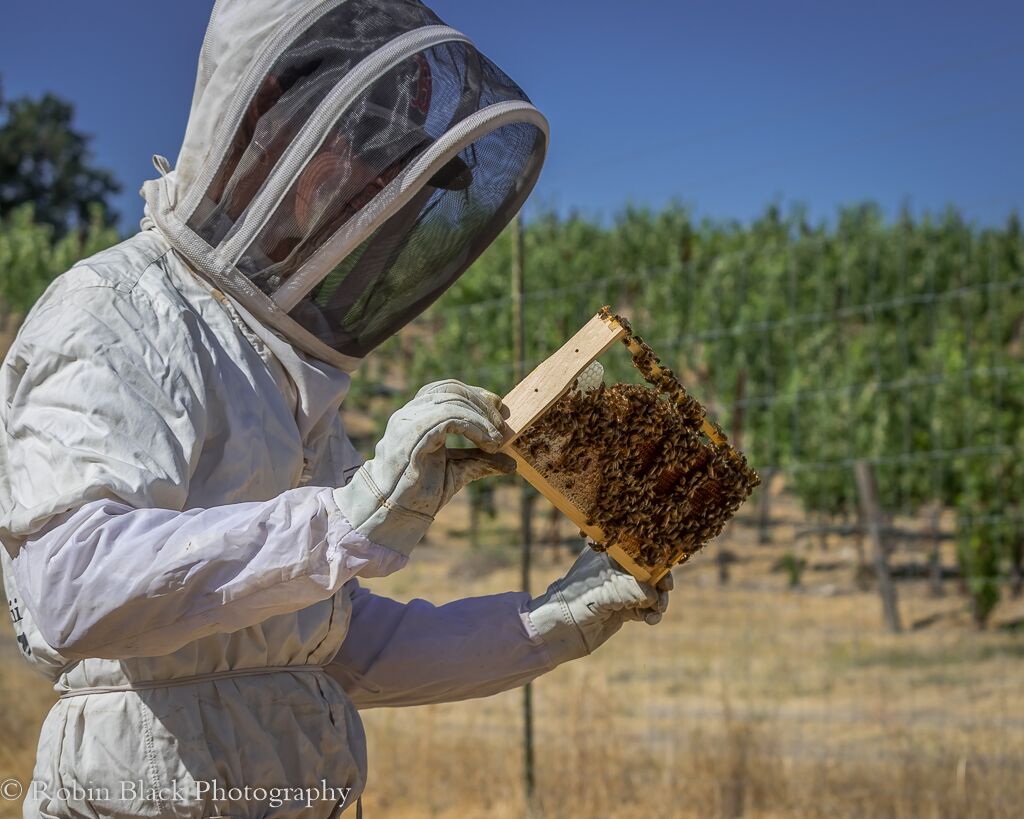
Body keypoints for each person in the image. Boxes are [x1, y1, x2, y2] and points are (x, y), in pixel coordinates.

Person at [0, 1, 673, 816]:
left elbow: (336, 645)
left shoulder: (284, 371)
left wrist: (553, 621)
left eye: (399, 166)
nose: (382, 188)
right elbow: (68, 590)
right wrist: (346, 519)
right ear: (268, 121)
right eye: (365, 147)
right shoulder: (114, 310)